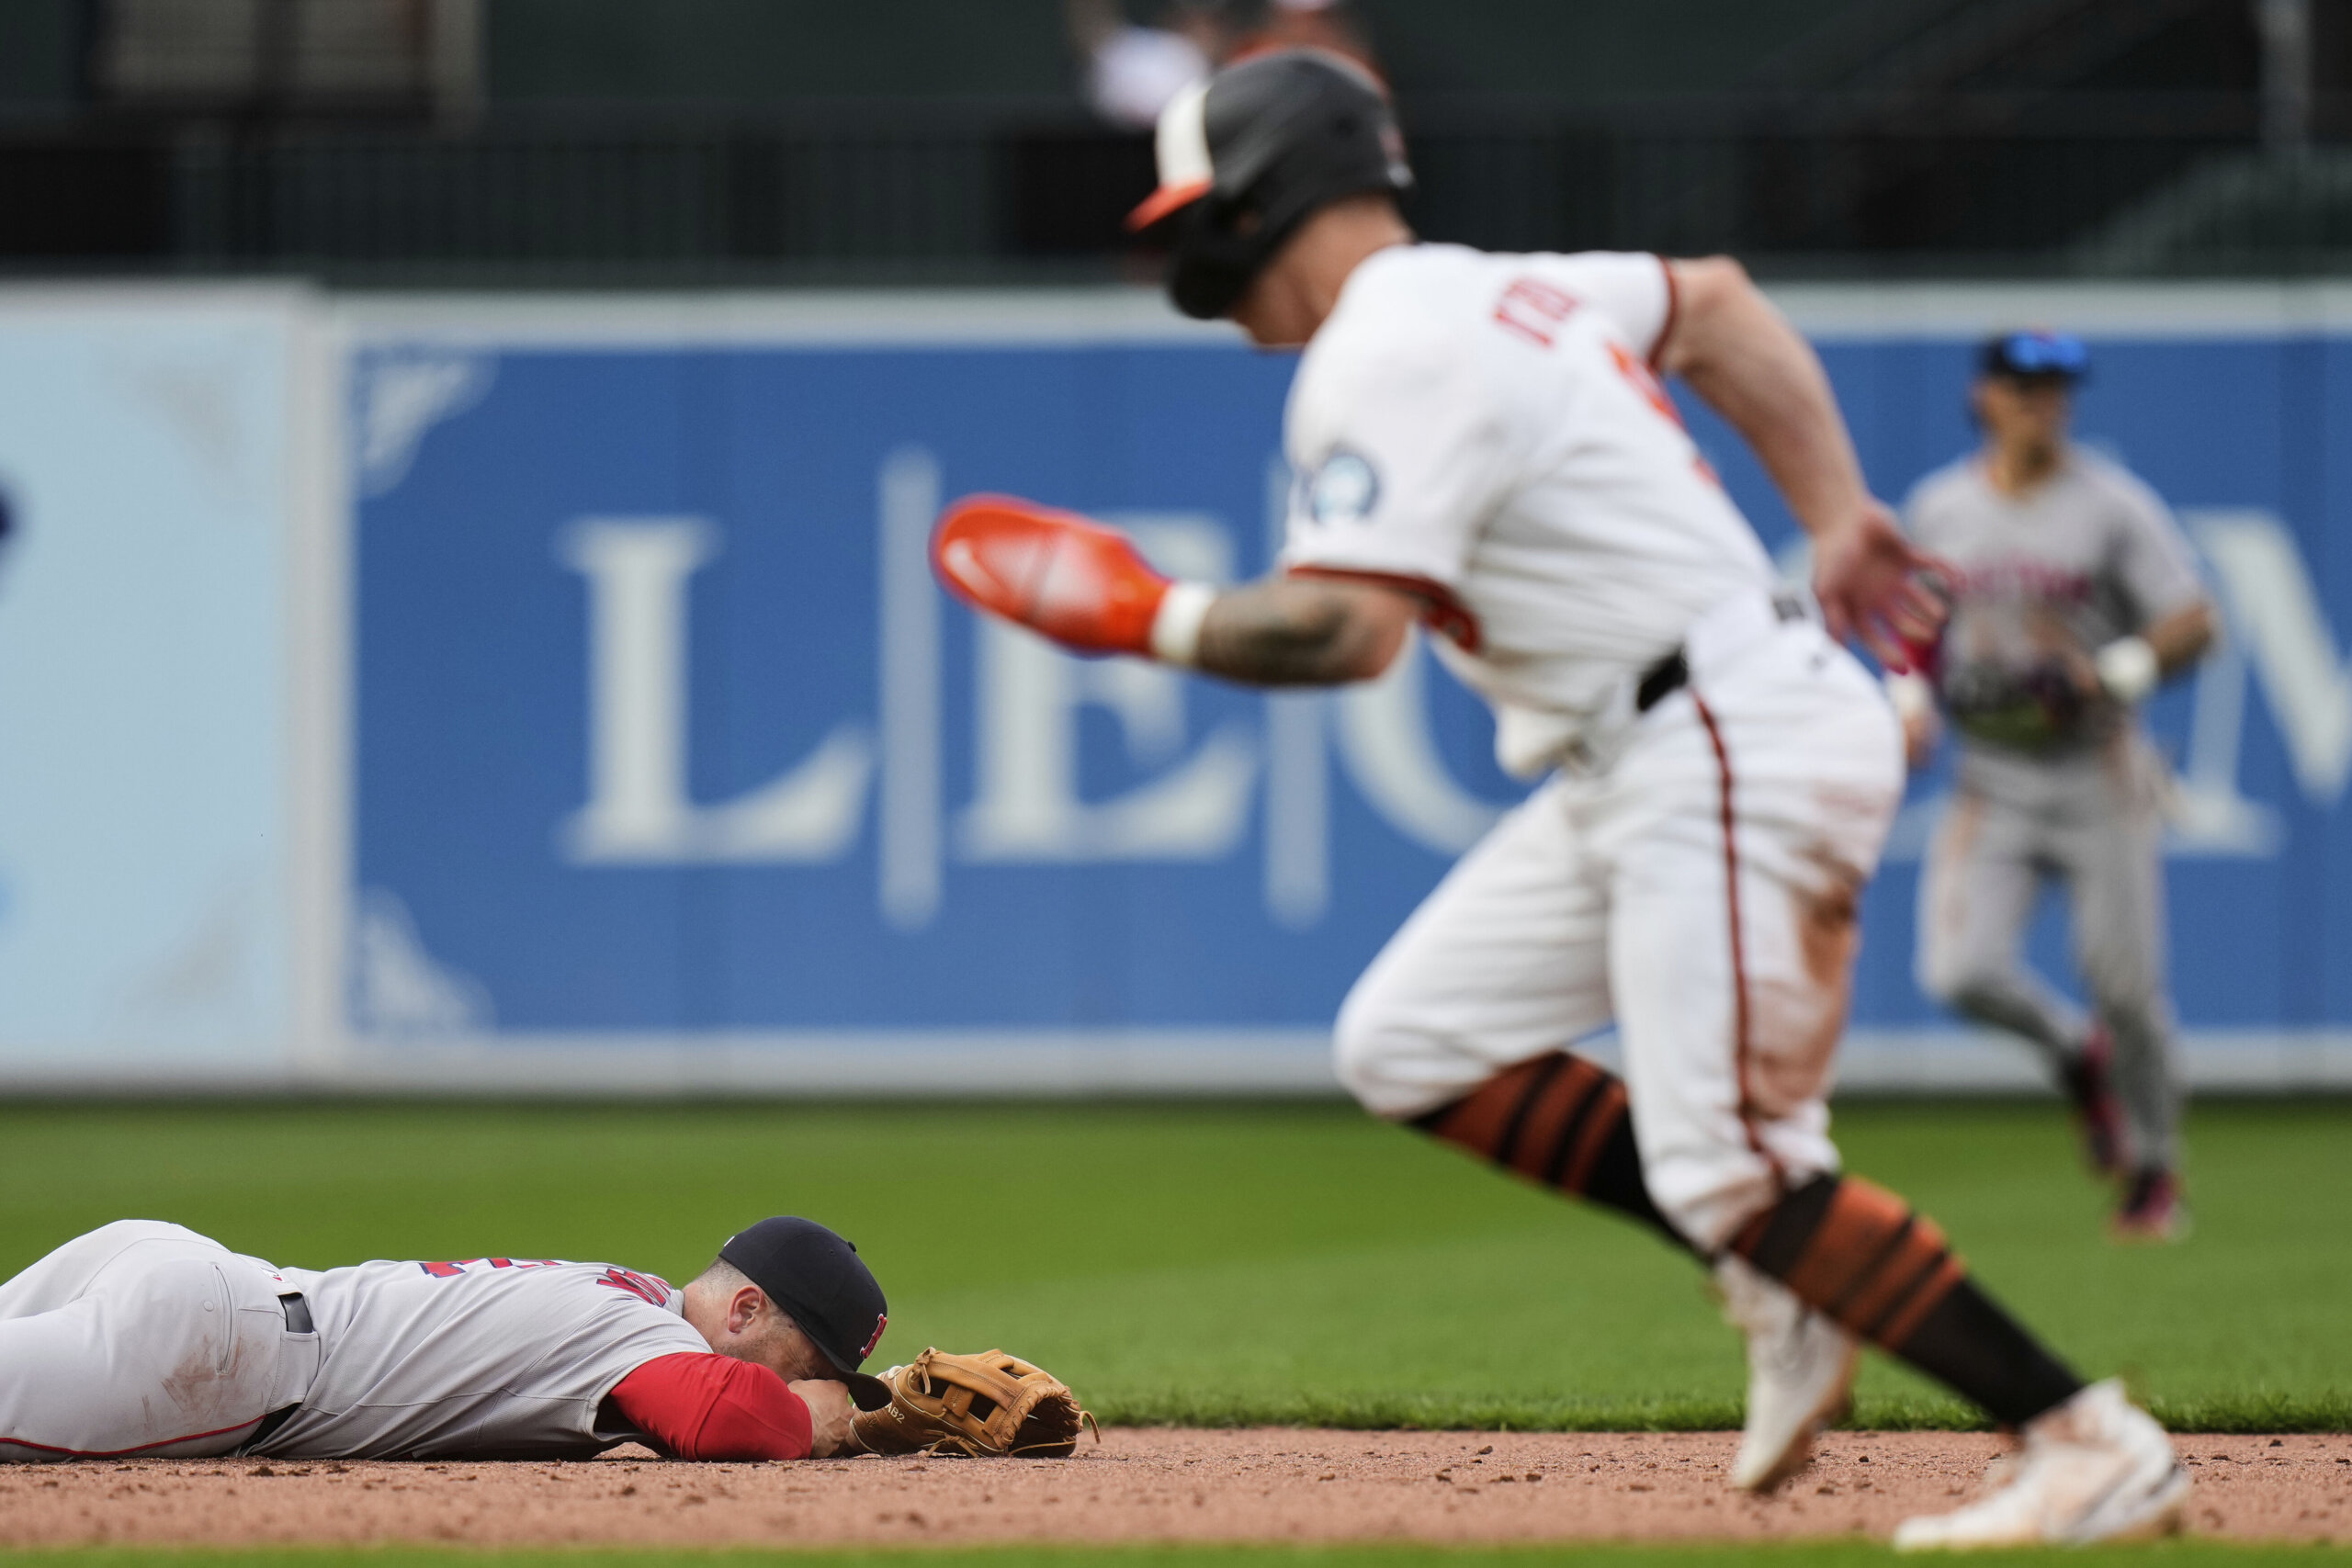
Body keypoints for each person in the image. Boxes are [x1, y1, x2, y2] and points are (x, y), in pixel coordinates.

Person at [934, 50, 2189, 1549]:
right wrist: (1838, 510)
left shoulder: (1378, 353)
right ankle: (1782, 1277)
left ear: (1265, 201)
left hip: (1717, 739)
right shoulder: (1498, 287)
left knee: (1732, 1167)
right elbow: (1717, 301)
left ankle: (2081, 1435)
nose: (1196, 272)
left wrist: (1149, 618)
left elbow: (1348, 632)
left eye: (1200, 226)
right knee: (1411, 1040)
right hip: (1660, 740)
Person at [1894, 333, 2215, 1243]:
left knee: (2127, 987)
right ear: (1985, 396)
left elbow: (2194, 621)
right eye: (2025, 386)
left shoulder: (2110, 506)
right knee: (1956, 972)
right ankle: (2077, 1059)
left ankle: (2153, 1167)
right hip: (1990, 776)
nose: (2044, 402)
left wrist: (2111, 673)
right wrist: (1909, 698)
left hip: (2095, 768)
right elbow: (1917, 622)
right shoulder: (1941, 507)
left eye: (2056, 387)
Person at [0, 1214, 888, 1462]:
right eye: (809, 1364)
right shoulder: (633, 1329)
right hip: (210, 1359)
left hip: (175, 1265)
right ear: (744, 1313)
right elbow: (724, 1420)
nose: (818, 1385)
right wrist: (815, 1419)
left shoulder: (615, 1290)